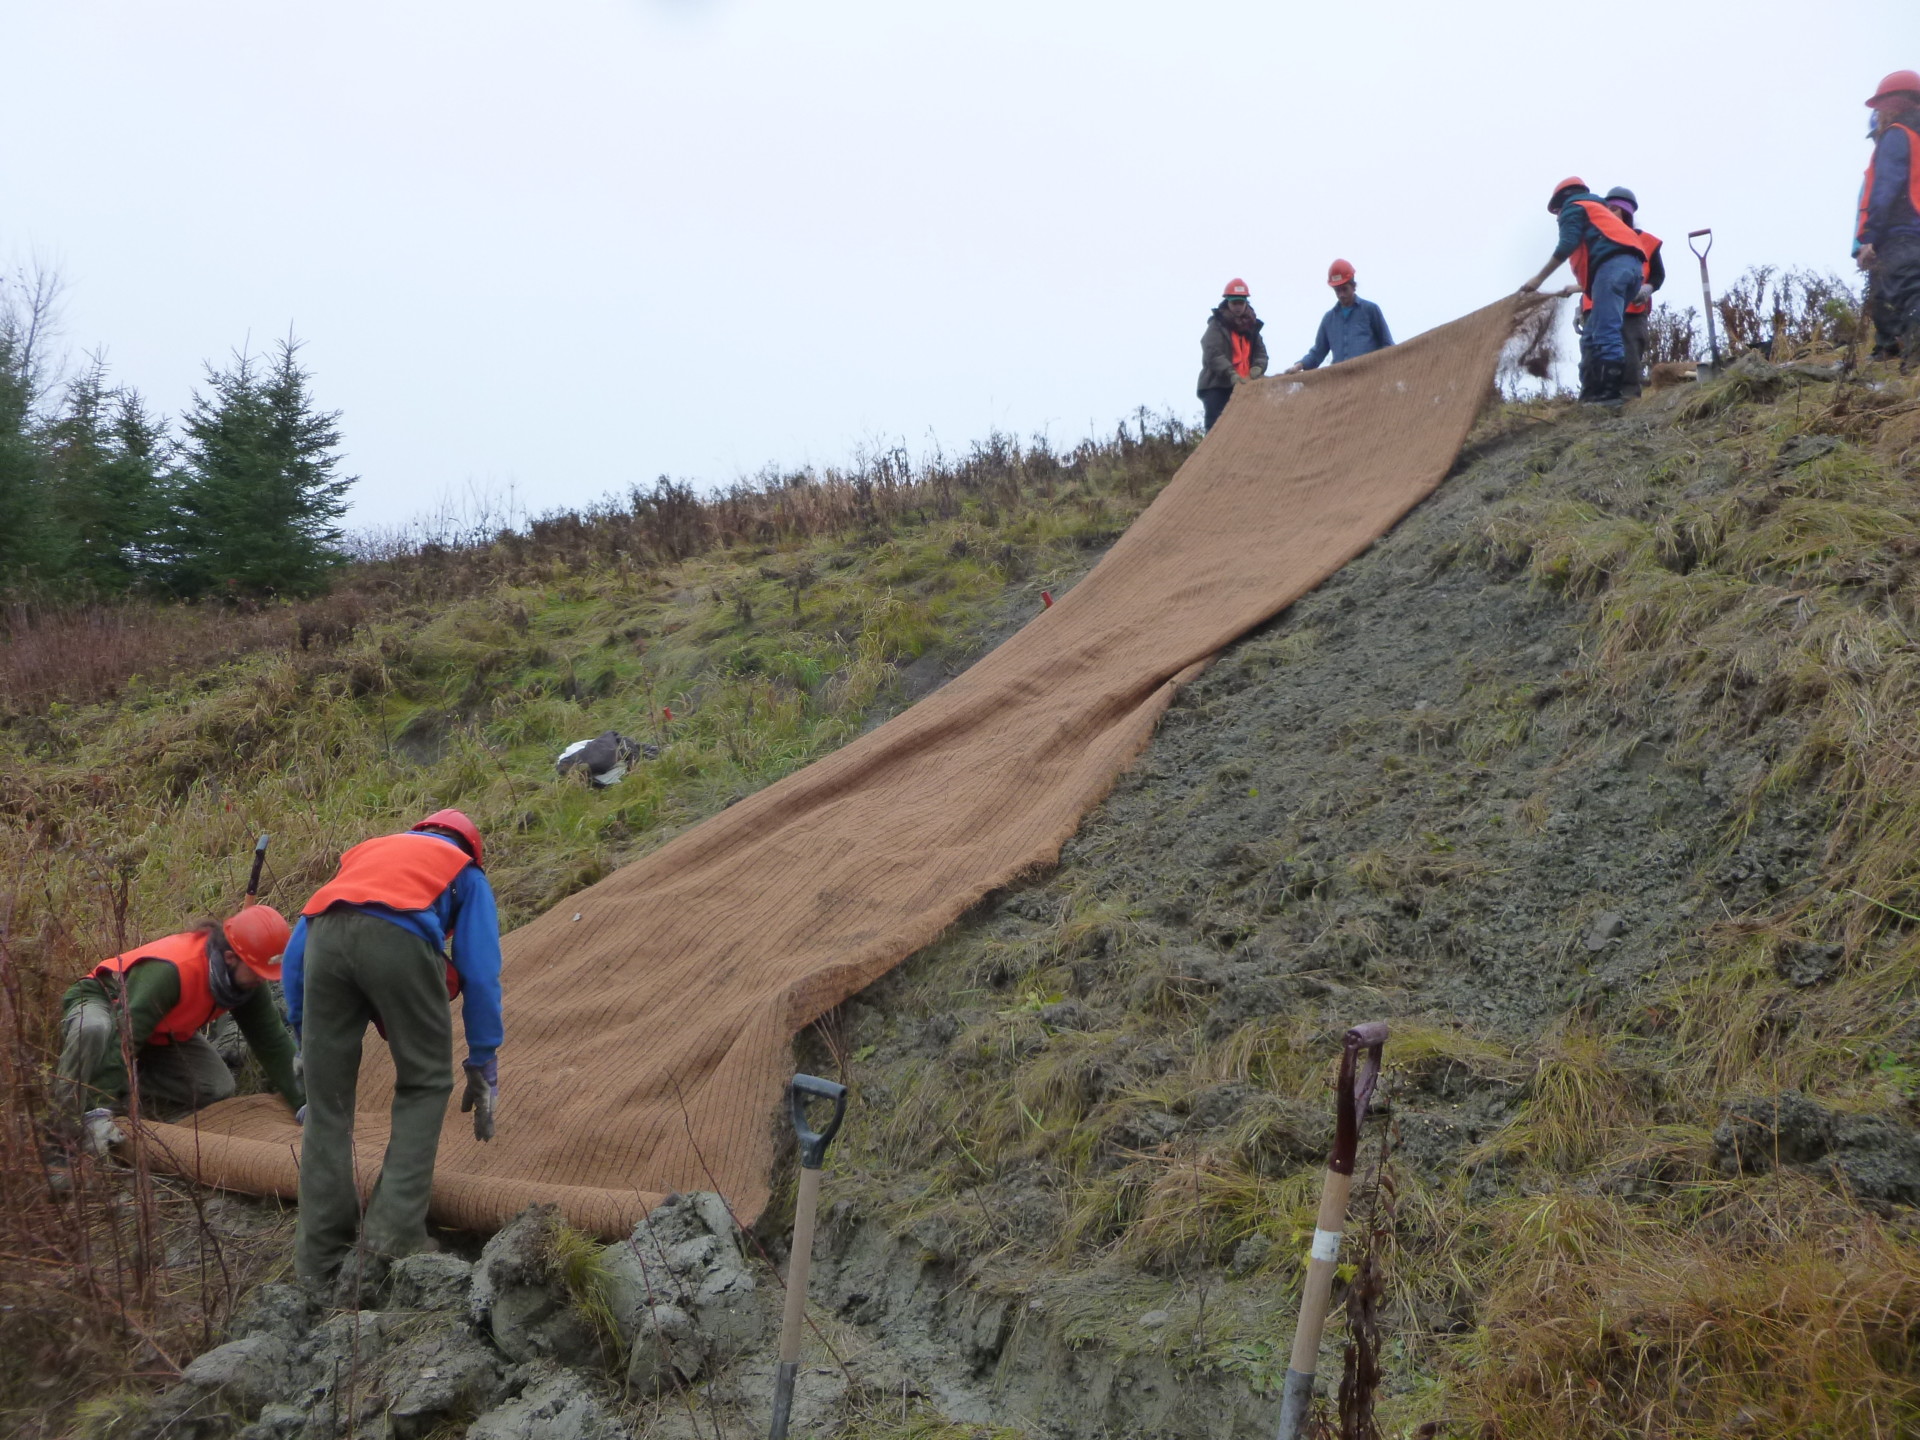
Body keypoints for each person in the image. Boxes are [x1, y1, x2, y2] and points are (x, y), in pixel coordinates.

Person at [285, 808, 503, 1290]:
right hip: (401, 940)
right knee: (424, 1083)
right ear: (470, 847)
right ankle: (392, 1234)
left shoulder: (365, 853)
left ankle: (317, 1260)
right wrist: (483, 1057)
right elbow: (480, 971)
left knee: (327, 1108)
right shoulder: (463, 870)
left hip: (325, 944)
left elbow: (297, 947)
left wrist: (305, 1036)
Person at [54, 906, 302, 1137]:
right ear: (229, 957)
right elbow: (126, 1034)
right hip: (106, 1003)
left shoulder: (247, 982)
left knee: (216, 1086)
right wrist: (98, 1112)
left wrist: (305, 1104)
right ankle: (64, 1123)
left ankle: (116, 1076)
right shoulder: (173, 970)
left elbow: (273, 1043)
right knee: (94, 1029)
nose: (263, 979)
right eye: (258, 971)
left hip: (158, 1031)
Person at [1520, 176, 1656, 406]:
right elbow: (1613, 258)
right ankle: (1593, 392)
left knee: (1605, 332)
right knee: (1593, 335)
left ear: (1562, 200)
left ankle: (1610, 394)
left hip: (1613, 269)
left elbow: (1566, 246)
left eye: (1557, 211)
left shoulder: (1574, 207)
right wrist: (1576, 287)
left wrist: (1538, 279)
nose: (1558, 216)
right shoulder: (1598, 212)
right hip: (1630, 272)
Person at [1574, 188, 1664, 399]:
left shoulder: (1646, 241)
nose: (1609, 214)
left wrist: (1646, 289)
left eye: (1614, 209)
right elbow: (1587, 277)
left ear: (1626, 213)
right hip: (1595, 307)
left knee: (1629, 353)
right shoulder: (1595, 242)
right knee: (1590, 356)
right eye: (1606, 210)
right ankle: (1591, 399)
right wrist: (1580, 306)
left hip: (1632, 308)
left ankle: (1626, 398)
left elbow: (1658, 275)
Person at [1857, 70, 1920, 366]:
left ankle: (1912, 353)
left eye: (1881, 105)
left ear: (1894, 103)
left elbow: (1886, 188)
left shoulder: (1897, 135)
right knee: (1891, 291)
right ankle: (1889, 350)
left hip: (1901, 231)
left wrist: (1870, 237)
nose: (1878, 112)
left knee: (1907, 290)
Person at [1283, 259, 1394, 373]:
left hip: (1369, 378)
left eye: (1344, 289)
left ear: (1354, 286)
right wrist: (1299, 365)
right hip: (1340, 382)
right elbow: (1318, 353)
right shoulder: (1329, 319)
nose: (1341, 295)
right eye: (1337, 290)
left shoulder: (1370, 310)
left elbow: (1388, 346)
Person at [1196, 279, 1267, 431]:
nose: (1238, 307)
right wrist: (1230, 373)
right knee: (1217, 430)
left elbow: (1261, 353)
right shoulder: (1217, 324)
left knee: (1247, 429)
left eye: (1241, 302)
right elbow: (1212, 352)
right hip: (1218, 386)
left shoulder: (1252, 326)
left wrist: (1258, 367)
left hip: (1245, 385)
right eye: (1234, 302)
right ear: (1227, 302)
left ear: (1246, 303)